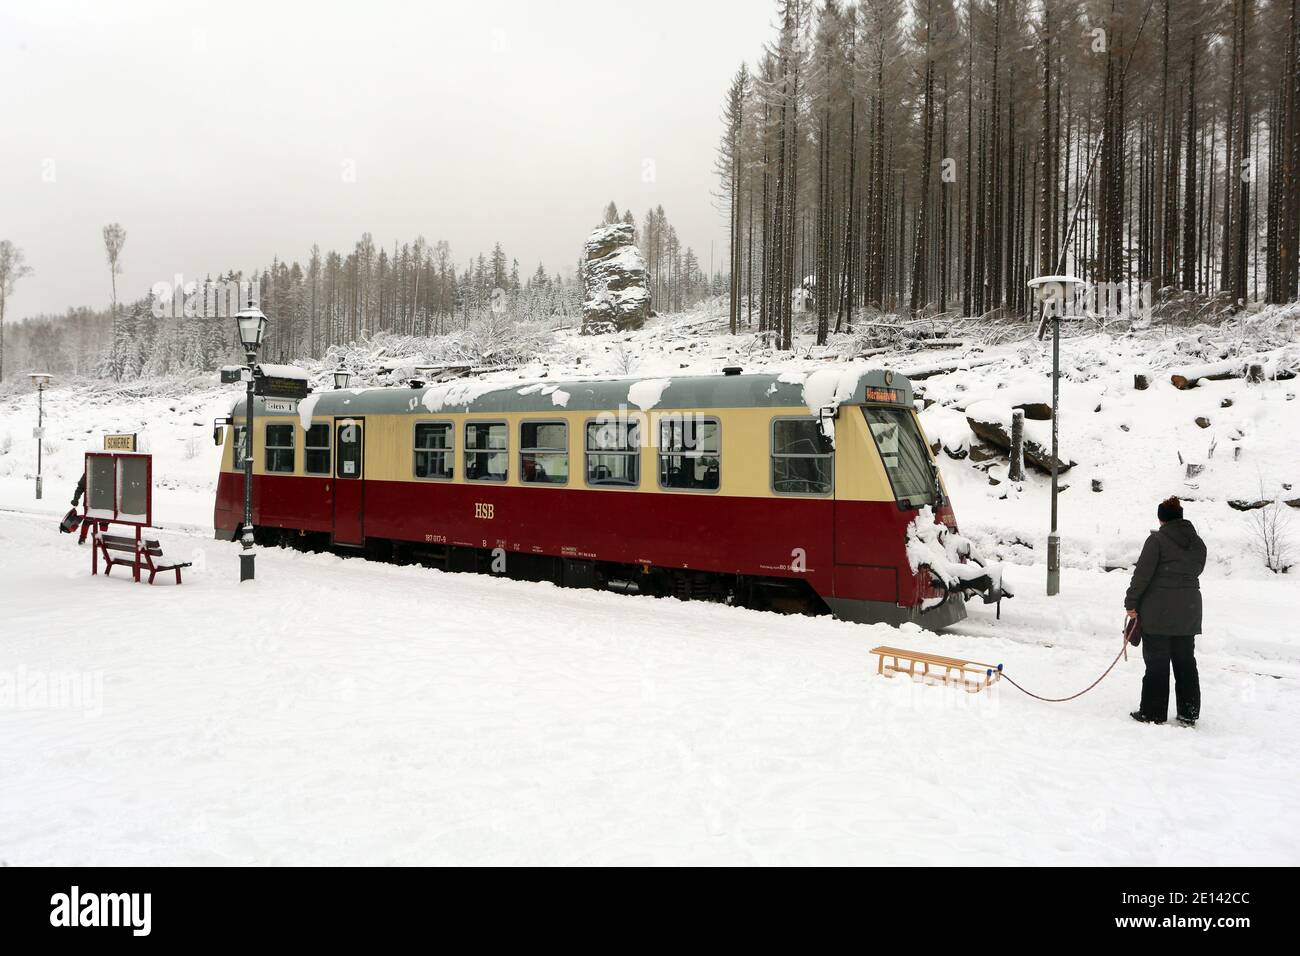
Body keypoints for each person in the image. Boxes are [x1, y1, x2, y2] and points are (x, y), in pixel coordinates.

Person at [1124, 496, 1207, 726]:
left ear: (1162, 519)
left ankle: (1153, 712)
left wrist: (1131, 603)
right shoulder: (1197, 543)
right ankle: (1188, 712)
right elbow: (1194, 571)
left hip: (1158, 613)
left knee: (1157, 663)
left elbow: (1141, 576)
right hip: (1189, 611)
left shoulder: (1157, 541)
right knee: (1185, 662)